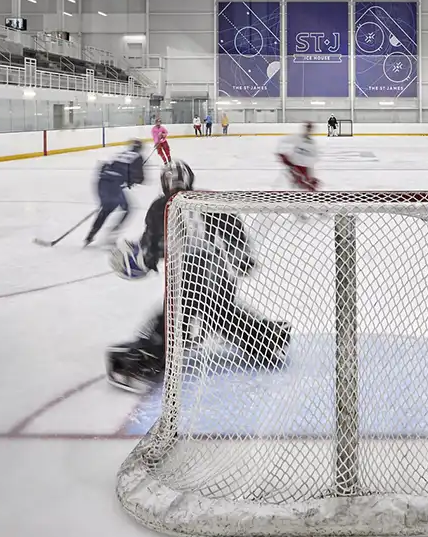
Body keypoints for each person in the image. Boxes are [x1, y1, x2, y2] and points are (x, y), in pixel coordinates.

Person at [104, 161, 291, 391]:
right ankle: (266, 338)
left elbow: (152, 249)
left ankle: (148, 360)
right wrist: (242, 258)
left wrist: (136, 260)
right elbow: (234, 230)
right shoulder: (208, 200)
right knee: (220, 314)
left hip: (190, 273)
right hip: (220, 273)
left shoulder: (161, 207)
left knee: (175, 316)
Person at [84, 140, 146, 246]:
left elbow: (107, 167)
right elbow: (141, 179)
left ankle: (90, 235)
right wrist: (131, 180)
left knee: (106, 209)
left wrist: (127, 178)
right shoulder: (138, 157)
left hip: (101, 183)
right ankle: (112, 235)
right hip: (113, 185)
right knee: (127, 208)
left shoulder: (121, 154)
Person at [278, 122, 319, 191]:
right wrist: (283, 156)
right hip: (295, 165)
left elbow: (314, 156)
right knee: (299, 184)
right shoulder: (297, 137)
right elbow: (283, 142)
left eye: (310, 129)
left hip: (305, 167)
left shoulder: (312, 142)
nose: (308, 130)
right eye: (307, 128)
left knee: (305, 184)